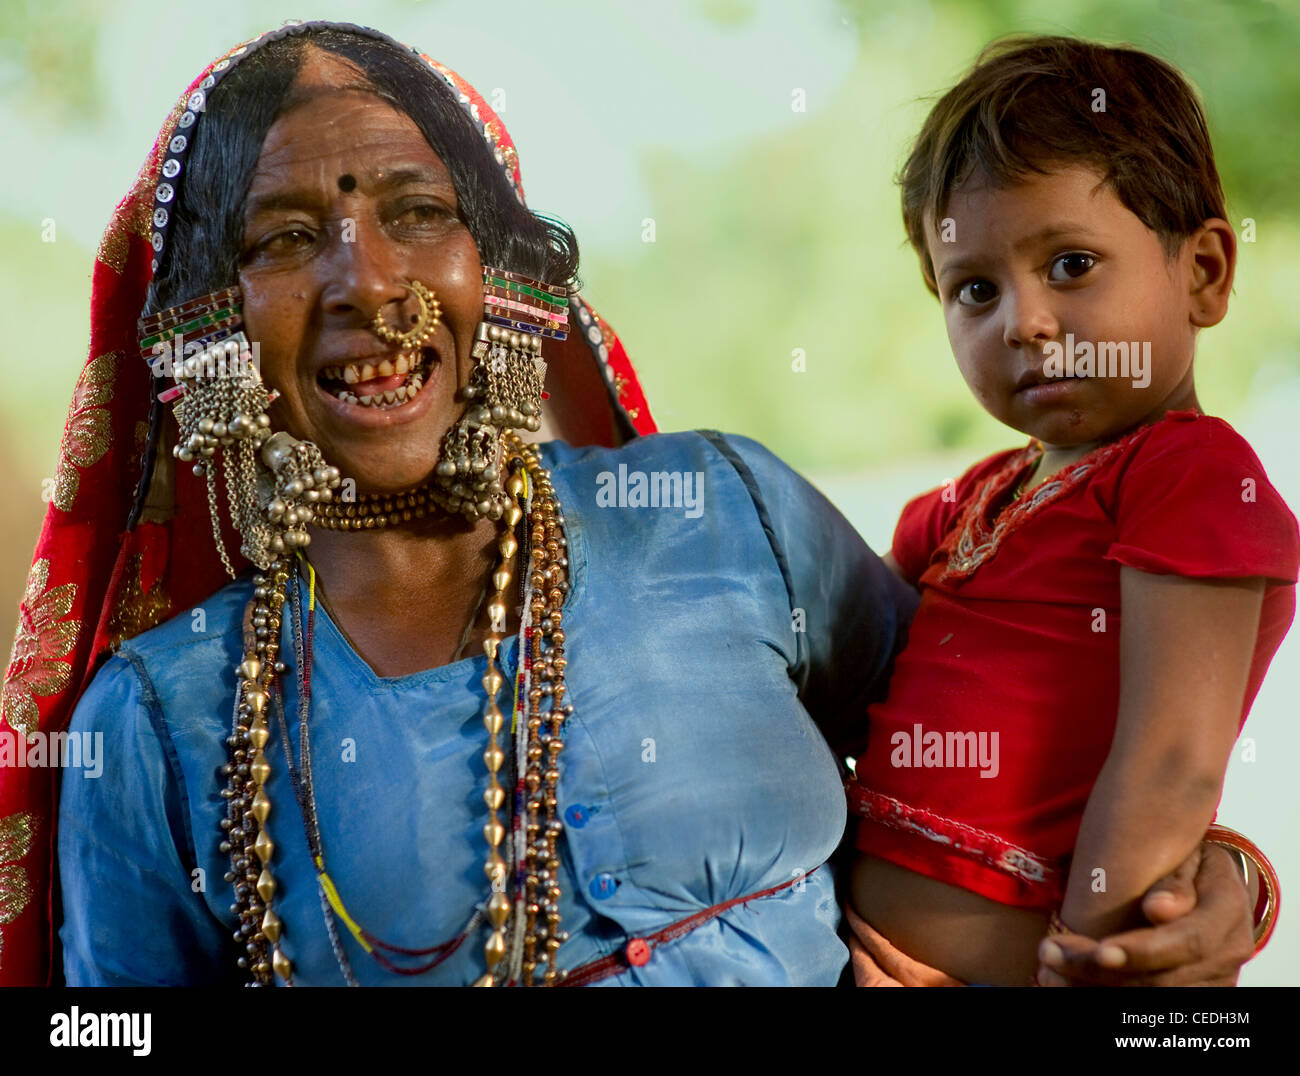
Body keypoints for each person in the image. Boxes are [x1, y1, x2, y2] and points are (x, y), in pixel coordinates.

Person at [0, 21, 1265, 988]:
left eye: (418, 214)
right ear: (206, 333)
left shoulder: (725, 513)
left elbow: (1014, 726)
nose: (363, 279)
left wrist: (1225, 880)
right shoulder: (155, 729)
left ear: (501, 275)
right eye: (280, 238)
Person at [846, 35, 1295, 987]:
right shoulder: (963, 506)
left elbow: (1170, 764)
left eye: (1073, 264)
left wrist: (1091, 962)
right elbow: (848, 695)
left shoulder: (1193, 475)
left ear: (1206, 272)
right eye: (975, 289)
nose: (1026, 321)